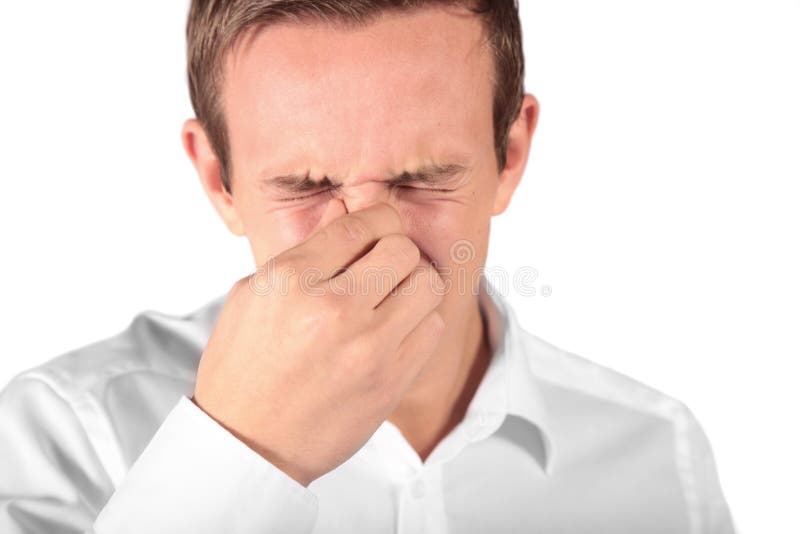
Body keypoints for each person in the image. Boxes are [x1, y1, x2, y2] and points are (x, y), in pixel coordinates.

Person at [0, 1, 737, 532]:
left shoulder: (660, 450)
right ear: (219, 180)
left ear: (510, 156)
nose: (373, 243)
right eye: (305, 186)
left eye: (423, 179)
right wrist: (240, 450)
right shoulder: (68, 432)